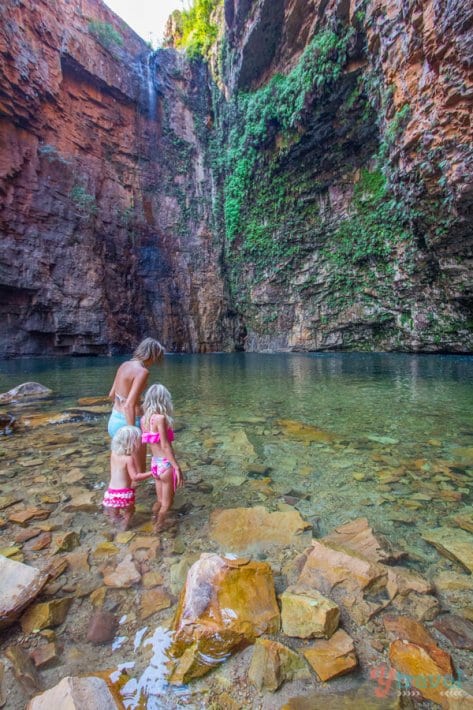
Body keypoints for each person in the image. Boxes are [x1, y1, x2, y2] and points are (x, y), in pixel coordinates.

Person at [108, 337, 165, 469]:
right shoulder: (143, 371)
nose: (155, 361)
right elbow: (129, 405)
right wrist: (132, 432)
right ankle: (139, 490)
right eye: (156, 357)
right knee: (139, 470)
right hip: (129, 424)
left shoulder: (124, 365)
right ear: (151, 355)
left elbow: (111, 395)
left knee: (122, 469)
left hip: (114, 420)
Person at [141, 383, 184, 532]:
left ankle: (153, 518)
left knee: (159, 500)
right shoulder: (160, 419)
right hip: (165, 464)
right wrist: (177, 467)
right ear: (164, 400)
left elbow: (150, 443)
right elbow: (165, 446)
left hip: (154, 464)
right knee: (167, 503)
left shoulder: (144, 420)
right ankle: (158, 526)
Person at [103, 425, 152, 530]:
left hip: (111, 492)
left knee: (114, 513)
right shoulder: (128, 459)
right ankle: (124, 526)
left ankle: (113, 523)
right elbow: (135, 477)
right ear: (131, 443)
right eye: (138, 441)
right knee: (130, 511)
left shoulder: (113, 453)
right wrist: (152, 473)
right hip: (124, 493)